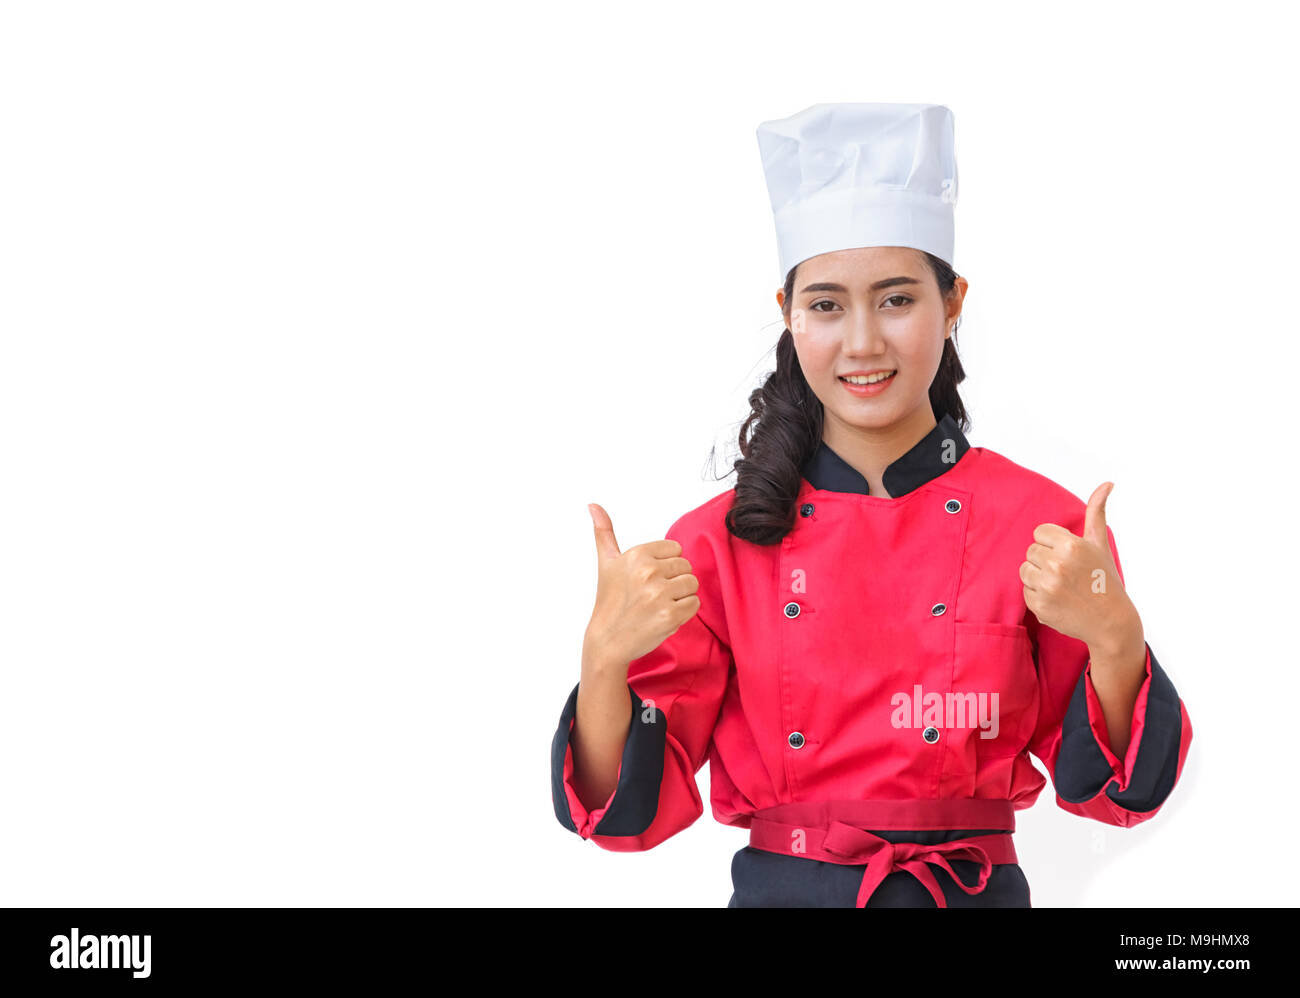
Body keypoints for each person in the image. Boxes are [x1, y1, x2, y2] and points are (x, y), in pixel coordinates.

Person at [549, 103, 1193, 907]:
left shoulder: (1043, 527)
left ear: (952, 303)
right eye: (825, 305)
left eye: (895, 300)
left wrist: (1115, 637)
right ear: (787, 315)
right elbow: (622, 813)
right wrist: (603, 662)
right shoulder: (715, 546)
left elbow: (1119, 792)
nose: (862, 342)